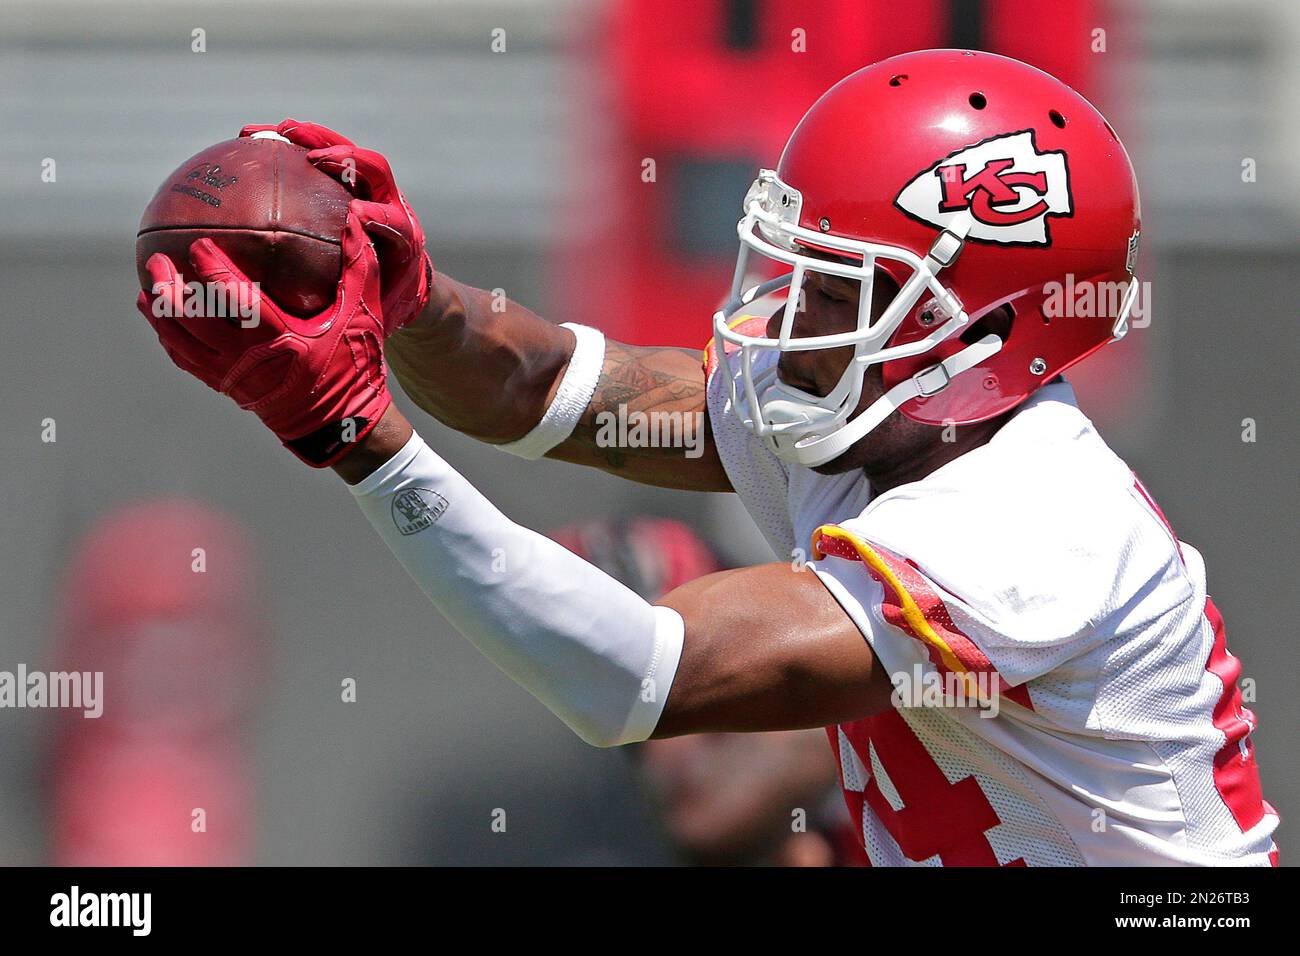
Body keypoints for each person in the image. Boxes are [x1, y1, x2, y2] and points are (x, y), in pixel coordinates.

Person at [138, 50, 1277, 866]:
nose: (791, 321)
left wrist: (354, 434)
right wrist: (408, 298)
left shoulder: (1035, 519)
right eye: (798, 270)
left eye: (841, 288)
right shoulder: (879, 416)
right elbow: (539, 388)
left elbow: (640, 673)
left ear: (986, 328)